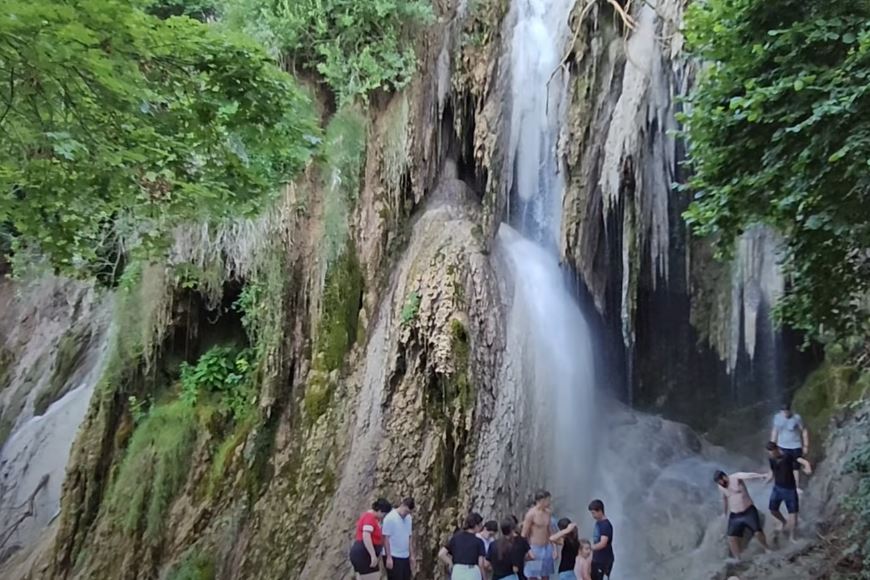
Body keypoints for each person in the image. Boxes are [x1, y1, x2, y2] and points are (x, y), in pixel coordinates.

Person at [714, 469, 771, 560]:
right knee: (731, 538)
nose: (721, 484)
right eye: (718, 482)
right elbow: (725, 499)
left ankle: (767, 548)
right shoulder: (721, 487)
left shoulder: (735, 478)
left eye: (720, 481)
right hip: (735, 515)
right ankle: (738, 558)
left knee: (757, 532)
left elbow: (748, 476)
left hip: (748, 511)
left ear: (724, 477)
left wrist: (762, 476)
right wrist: (724, 513)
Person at [765, 442, 813, 542]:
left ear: (777, 449)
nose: (771, 455)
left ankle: (792, 536)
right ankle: (783, 521)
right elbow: (772, 471)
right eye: (770, 453)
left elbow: (800, 460)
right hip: (777, 488)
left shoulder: (787, 456)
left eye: (772, 452)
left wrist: (807, 466)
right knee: (773, 510)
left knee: (793, 514)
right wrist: (767, 479)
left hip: (790, 489)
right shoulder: (771, 459)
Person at [770, 402, 810, 491]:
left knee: (795, 467)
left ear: (790, 410)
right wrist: (772, 444)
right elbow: (775, 431)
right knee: (781, 465)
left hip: (795, 446)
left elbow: (804, 430)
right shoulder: (777, 418)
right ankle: (781, 484)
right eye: (784, 411)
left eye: (787, 411)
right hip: (782, 446)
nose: (785, 413)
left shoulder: (796, 418)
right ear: (781, 411)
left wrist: (806, 445)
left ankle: (796, 487)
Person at [350, 498, 393, 580]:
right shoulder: (369, 517)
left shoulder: (375, 518)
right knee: (373, 576)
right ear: (379, 511)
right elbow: (366, 535)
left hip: (364, 553)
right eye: (384, 514)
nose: (384, 517)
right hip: (364, 553)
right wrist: (372, 555)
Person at [440, 513, 487, 580]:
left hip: (458, 571)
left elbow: (441, 553)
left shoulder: (456, 538)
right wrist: (484, 578)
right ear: (476, 525)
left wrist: (451, 563)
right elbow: (481, 564)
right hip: (472, 572)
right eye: (480, 525)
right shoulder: (479, 542)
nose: (481, 527)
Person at [522, 490, 556, 580]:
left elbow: (550, 531)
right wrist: (528, 551)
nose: (549, 502)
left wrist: (554, 548)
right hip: (535, 547)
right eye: (548, 500)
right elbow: (524, 534)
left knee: (546, 574)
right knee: (533, 575)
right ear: (541, 500)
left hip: (547, 546)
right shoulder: (531, 514)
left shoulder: (548, 513)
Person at [383, 497, 416, 580]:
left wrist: (412, 555)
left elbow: (409, 537)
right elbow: (386, 538)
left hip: (405, 555)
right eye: (406, 511)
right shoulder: (390, 518)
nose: (406, 514)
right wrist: (388, 557)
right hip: (394, 555)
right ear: (402, 505)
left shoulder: (408, 518)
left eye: (409, 512)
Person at [587, 500, 614, 580]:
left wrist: (589, 548)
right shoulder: (599, 523)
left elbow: (603, 543)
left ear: (600, 511)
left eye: (593, 513)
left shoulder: (605, 525)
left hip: (603, 560)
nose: (593, 516)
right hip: (597, 559)